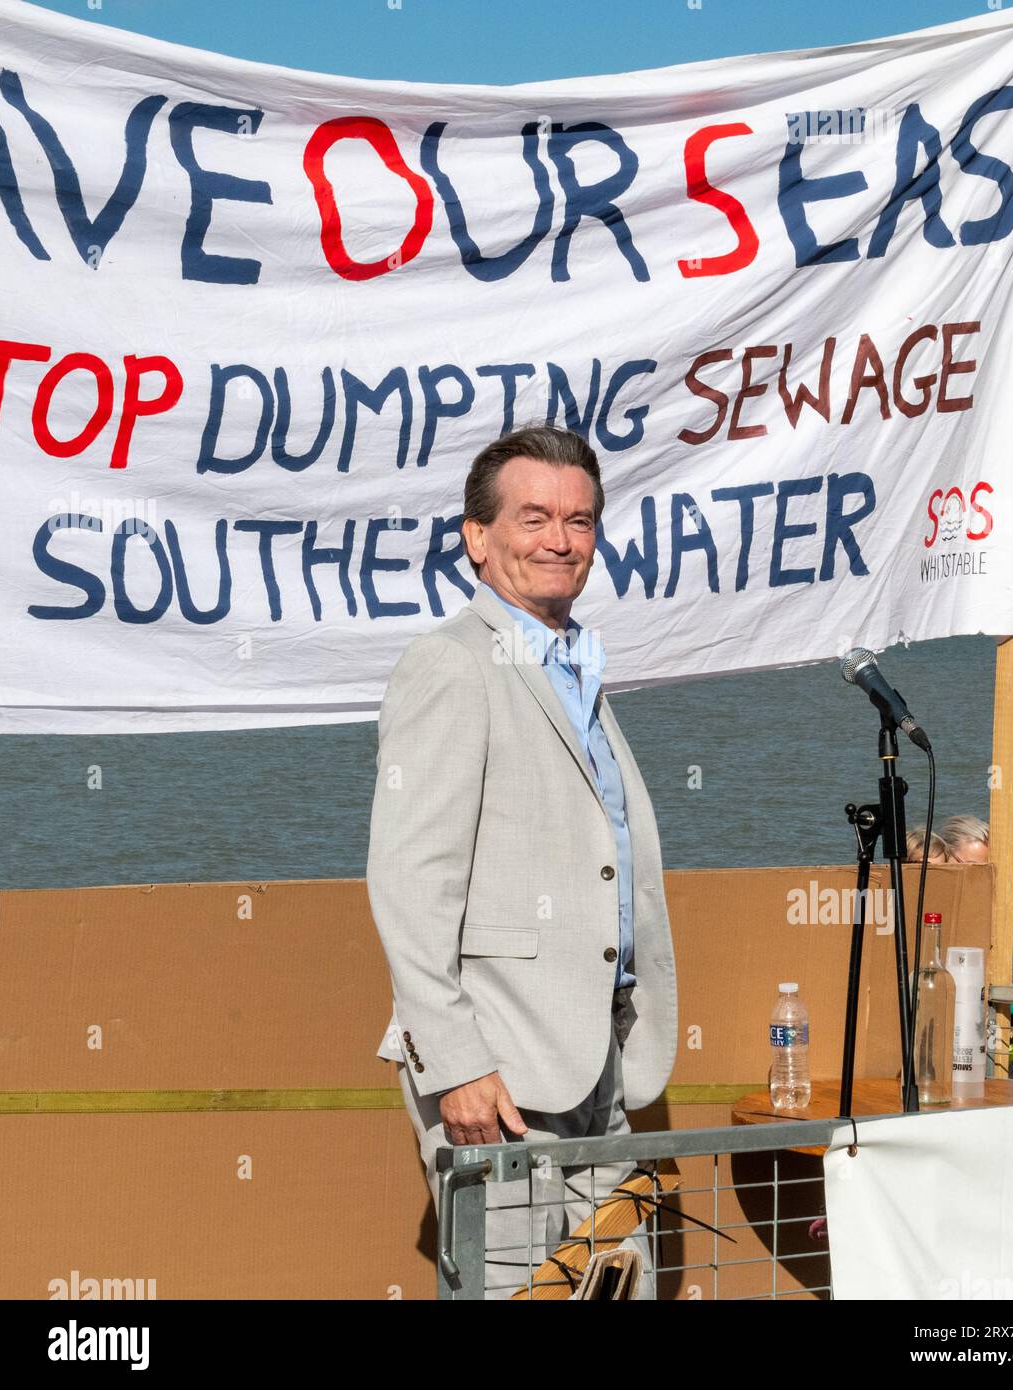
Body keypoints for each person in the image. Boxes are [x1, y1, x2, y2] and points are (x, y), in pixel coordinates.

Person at [367, 424, 679, 1299]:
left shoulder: (574, 668)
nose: (559, 539)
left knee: (614, 1291)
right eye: (534, 516)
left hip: (598, 1061)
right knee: (512, 1294)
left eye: (579, 521)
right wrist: (455, 1061)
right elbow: (407, 879)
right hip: (496, 1075)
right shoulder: (450, 665)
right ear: (476, 537)